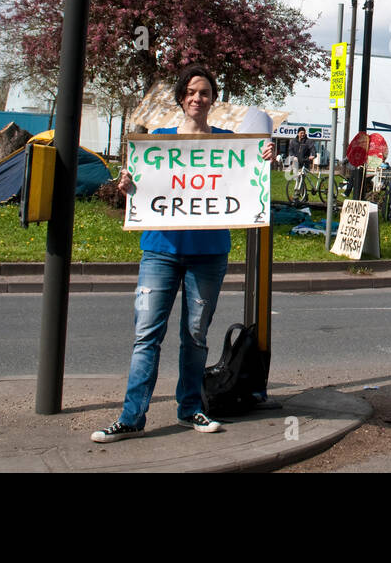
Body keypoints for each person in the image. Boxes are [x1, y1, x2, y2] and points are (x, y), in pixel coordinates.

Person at [92, 63, 275, 443]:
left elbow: (247, 179)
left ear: (213, 99)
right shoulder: (158, 140)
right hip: (159, 251)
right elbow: (137, 189)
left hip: (209, 254)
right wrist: (126, 184)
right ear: (181, 98)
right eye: (191, 92)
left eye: (205, 92)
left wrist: (265, 156)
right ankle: (131, 417)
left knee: (195, 336)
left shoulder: (229, 143)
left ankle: (191, 408)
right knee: (146, 336)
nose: (198, 98)